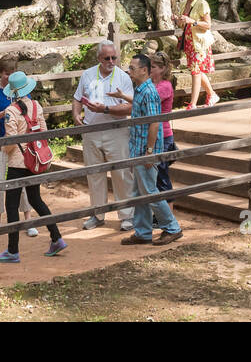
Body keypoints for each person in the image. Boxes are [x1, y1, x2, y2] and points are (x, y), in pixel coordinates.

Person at [0, 74, 66, 263]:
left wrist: (3, 148)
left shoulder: (11, 111)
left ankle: (13, 250)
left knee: (11, 205)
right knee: (35, 199)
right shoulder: (36, 106)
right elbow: (43, 131)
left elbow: (11, 139)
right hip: (35, 161)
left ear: (12, 92)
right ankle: (56, 237)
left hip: (18, 163)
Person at [71, 39, 135, 231]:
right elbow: (77, 98)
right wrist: (75, 114)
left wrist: (106, 109)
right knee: (95, 174)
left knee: (121, 174)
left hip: (117, 131)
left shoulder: (123, 77)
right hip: (91, 132)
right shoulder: (88, 75)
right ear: (99, 58)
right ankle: (97, 214)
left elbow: (130, 107)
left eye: (114, 57)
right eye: (107, 58)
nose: (111, 61)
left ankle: (127, 215)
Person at [121, 54, 183, 246]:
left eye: (132, 68)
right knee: (140, 193)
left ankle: (172, 228)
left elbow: (154, 123)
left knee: (150, 192)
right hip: (138, 150)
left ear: (143, 70)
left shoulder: (149, 92)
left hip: (146, 151)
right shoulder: (140, 90)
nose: (129, 71)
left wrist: (149, 152)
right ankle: (143, 232)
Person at [0, 56, 38, 236]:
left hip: (18, 143)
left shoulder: (21, 88)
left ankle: (27, 219)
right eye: (7, 74)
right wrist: (5, 113)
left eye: (13, 73)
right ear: (0, 72)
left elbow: (28, 112)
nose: (9, 77)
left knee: (20, 179)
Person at [174, 0, 219, 109]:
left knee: (195, 71)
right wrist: (177, 20)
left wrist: (192, 21)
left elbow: (208, 25)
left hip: (199, 43)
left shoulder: (201, 4)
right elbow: (182, 25)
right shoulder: (183, 4)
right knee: (197, 71)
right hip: (188, 42)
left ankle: (193, 103)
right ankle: (212, 94)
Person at [148, 50, 178, 192]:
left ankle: (168, 213)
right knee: (152, 177)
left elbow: (149, 102)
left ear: (163, 69)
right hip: (151, 134)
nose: (149, 69)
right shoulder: (149, 84)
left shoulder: (165, 86)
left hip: (163, 136)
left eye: (153, 67)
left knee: (161, 176)